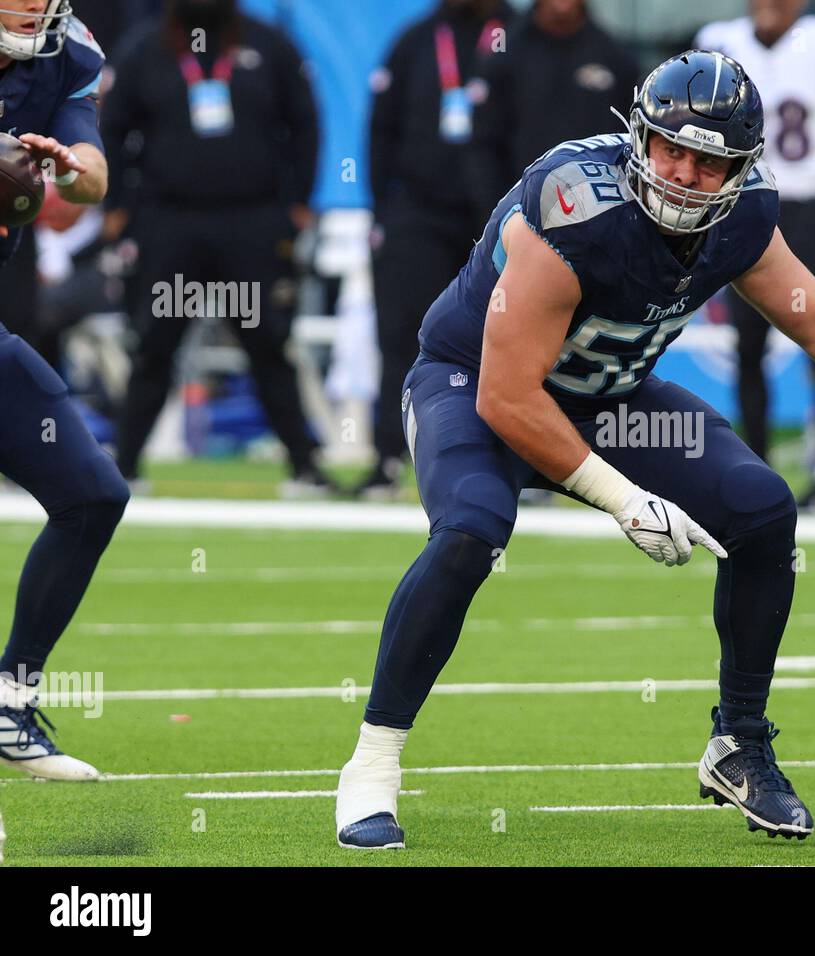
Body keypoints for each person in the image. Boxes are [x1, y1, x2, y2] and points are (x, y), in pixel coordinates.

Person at [333, 50, 815, 849]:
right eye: (671, 150)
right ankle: (373, 764)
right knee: (472, 528)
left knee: (763, 510)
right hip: (474, 386)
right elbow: (508, 398)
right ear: (639, 140)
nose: (684, 174)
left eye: (709, 161)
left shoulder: (746, 215)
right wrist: (623, 499)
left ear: (742, 168)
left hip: (609, 399)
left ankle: (740, 745)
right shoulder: (573, 209)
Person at [99, 0, 333, 496]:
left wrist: (299, 203)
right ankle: (123, 467)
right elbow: (113, 127)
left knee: (268, 344)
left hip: (249, 222)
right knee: (153, 346)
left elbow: (305, 121)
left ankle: (305, 467)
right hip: (169, 223)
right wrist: (117, 205)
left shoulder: (268, 45)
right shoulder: (145, 48)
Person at [0, 0, 129, 781]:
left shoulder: (66, 53)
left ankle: (10, 698)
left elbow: (92, 177)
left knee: (92, 494)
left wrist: (69, 171)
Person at [694, 0, 815, 472]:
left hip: (807, 206)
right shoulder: (720, 42)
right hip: (741, 204)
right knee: (748, 344)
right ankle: (756, 462)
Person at [358, 0, 510, 499]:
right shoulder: (417, 39)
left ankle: (520, 461)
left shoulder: (514, 35)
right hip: (419, 213)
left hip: (500, 220)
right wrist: (385, 209)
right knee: (402, 335)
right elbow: (381, 127)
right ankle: (386, 458)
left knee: (508, 339)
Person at [465, 0, 639, 226]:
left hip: (598, 222)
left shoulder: (616, 58)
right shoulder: (504, 53)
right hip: (520, 219)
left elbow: (631, 148)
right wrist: (499, 219)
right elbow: (483, 147)